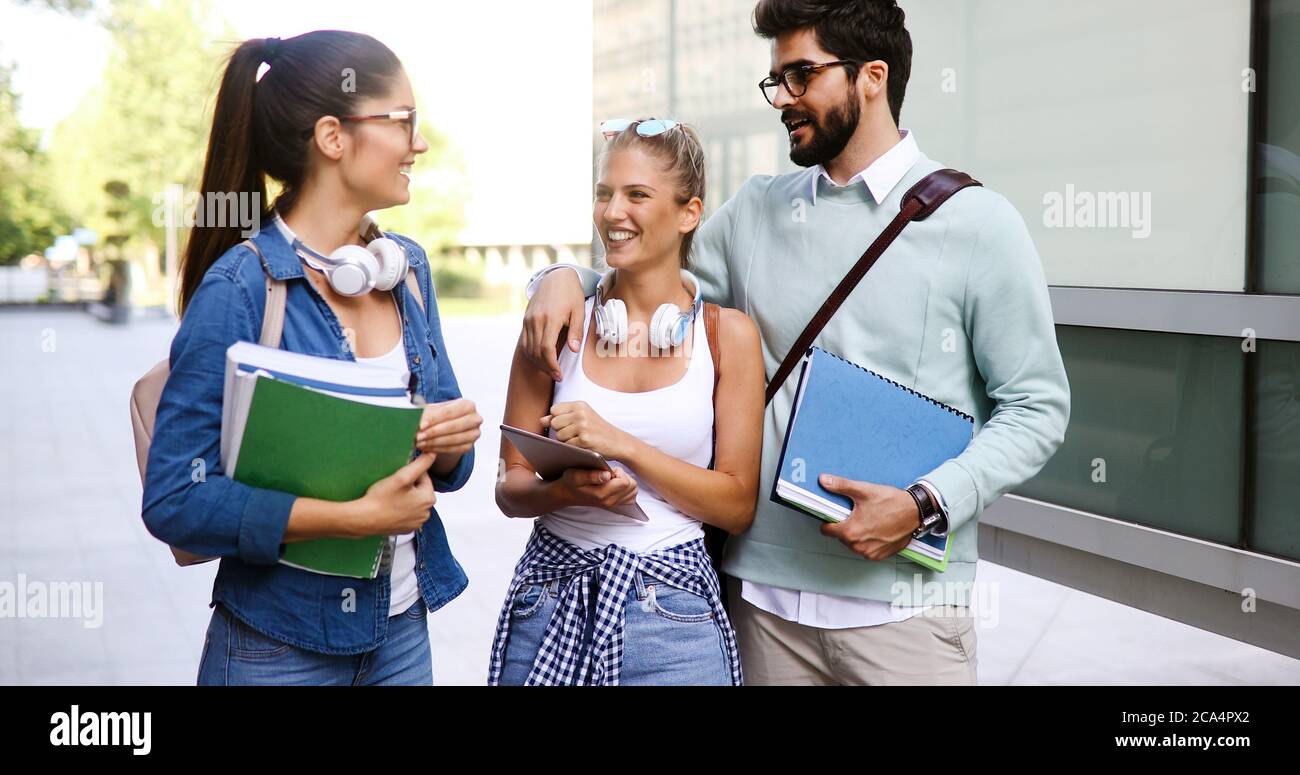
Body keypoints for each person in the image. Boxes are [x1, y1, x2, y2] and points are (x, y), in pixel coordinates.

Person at [520, 0, 1070, 685]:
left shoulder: (980, 225)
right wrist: (560, 275)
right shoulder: (756, 210)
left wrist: (926, 503)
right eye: (776, 79)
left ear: (872, 77)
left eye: (801, 75)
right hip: (763, 612)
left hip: (906, 616)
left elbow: (1037, 407)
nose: (783, 98)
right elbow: (642, 280)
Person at [141, 30, 482, 685]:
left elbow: (453, 467)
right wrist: (353, 520)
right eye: (403, 121)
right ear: (333, 137)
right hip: (278, 647)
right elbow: (175, 500)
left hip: (402, 629)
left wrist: (449, 437)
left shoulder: (405, 268)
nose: (420, 142)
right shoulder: (239, 289)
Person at [490, 118, 765, 685]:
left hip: (675, 615)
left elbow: (737, 505)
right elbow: (508, 488)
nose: (613, 212)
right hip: (549, 601)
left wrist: (623, 448)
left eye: (637, 195)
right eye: (604, 194)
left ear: (689, 212)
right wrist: (563, 491)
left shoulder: (729, 336)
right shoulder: (553, 323)